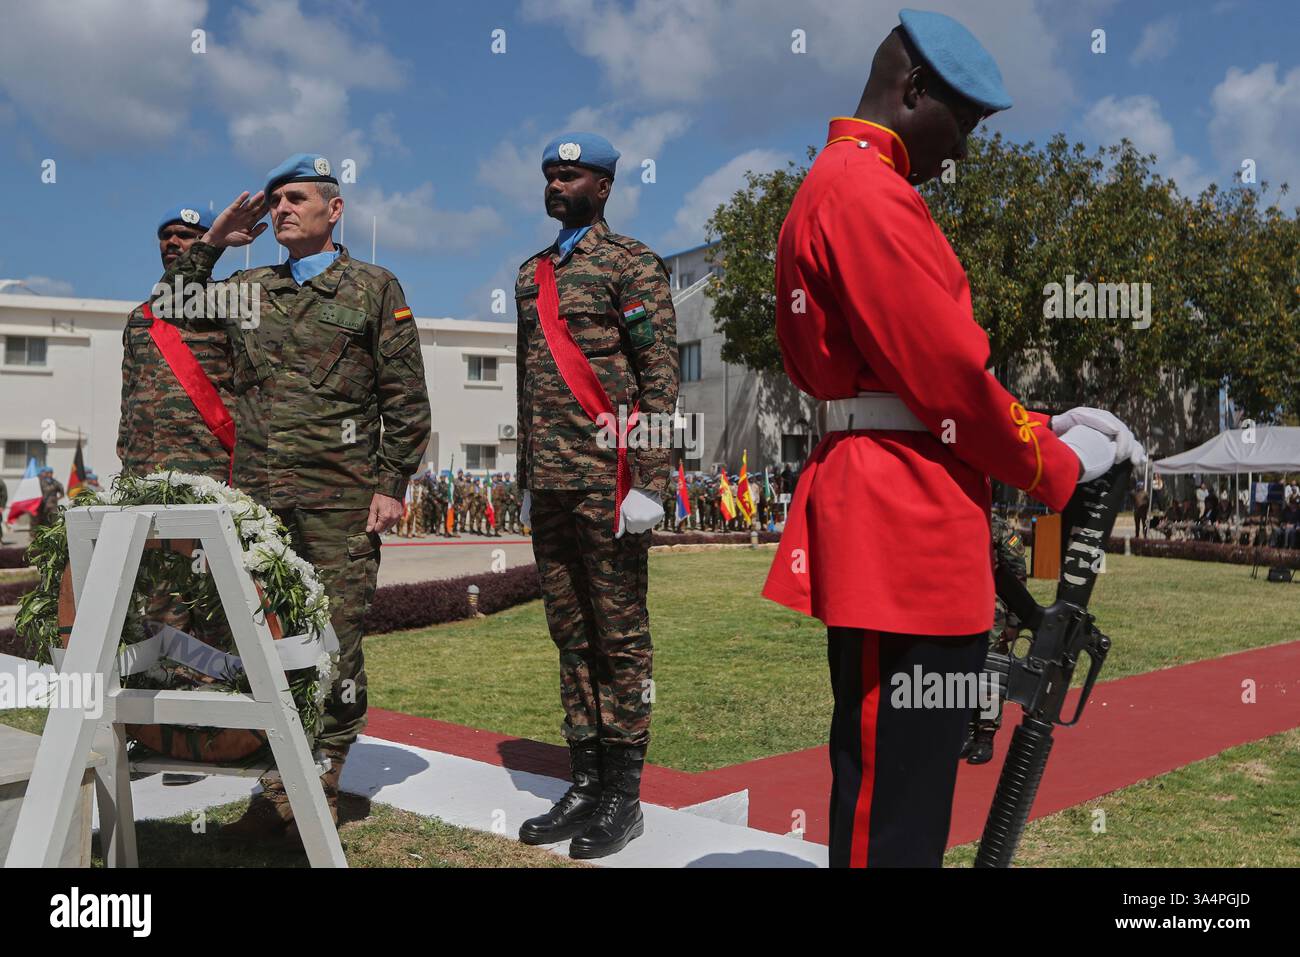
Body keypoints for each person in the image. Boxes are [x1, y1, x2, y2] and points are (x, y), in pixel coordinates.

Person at [760, 9, 1146, 867]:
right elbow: (949, 381)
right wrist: (1055, 461)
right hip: (901, 523)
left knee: (916, 783)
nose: (965, 150)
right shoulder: (866, 193)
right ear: (913, 90)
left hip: (911, 510)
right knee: (889, 805)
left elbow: (912, 380)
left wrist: (1045, 423)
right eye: (963, 122)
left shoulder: (853, 186)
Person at [155, 154, 431, 838]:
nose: (280, 209)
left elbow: (407, 399)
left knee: (335, 640)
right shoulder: (250, 288)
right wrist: (214, 245)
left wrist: (391, 485)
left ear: (334, 210)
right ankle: (278, 783)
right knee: (264, 643)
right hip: (258, 503)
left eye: (296, 198)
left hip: (340, 504)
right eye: (274, 200)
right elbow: (172, 307)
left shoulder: (372, 286)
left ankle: (322, 780)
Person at [514, 132, 678, 858]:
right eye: (550, 173)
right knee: (569, 636)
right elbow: (529, 385)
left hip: (607, 482)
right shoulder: (531, 273)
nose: (556, 183)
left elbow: (658, 376)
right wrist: (524, 478)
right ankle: (583, 779)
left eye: (570, 174)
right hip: (549, 484)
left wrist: (651, 480)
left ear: (603, 186)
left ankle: (624, 794)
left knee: (620, 638)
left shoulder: (632, 263)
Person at [119, 204, 236, 484]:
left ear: (208, 241)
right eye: (166, 235)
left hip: (208, 469)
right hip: (143, 471)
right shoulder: (140, 318)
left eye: (184, 235)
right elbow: (128, 399)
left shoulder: (230, 306)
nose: (172, 242)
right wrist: (126, 457)